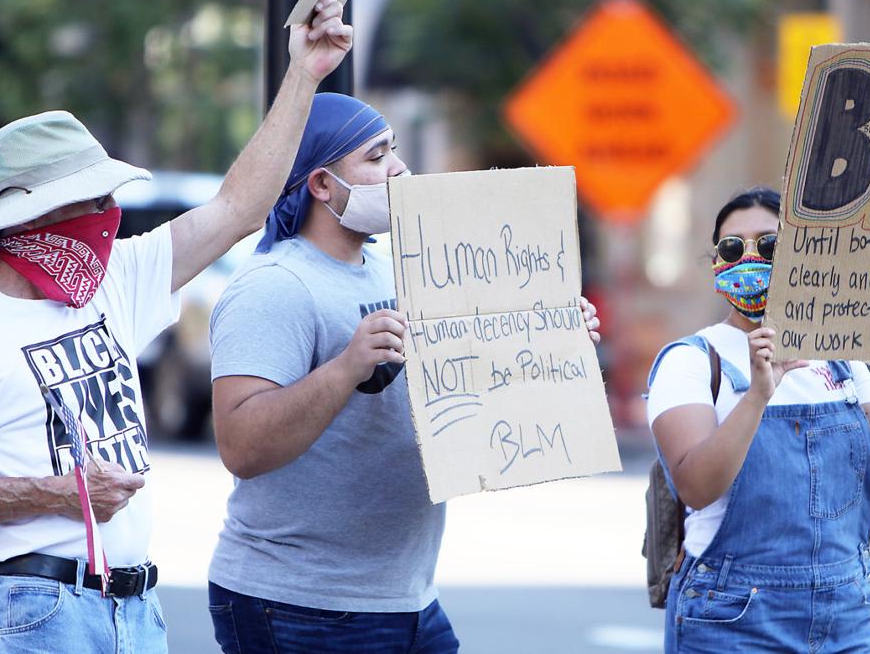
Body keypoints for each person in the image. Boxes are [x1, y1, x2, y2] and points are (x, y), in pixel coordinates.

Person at [0, 0, 352, 653]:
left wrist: (303, 74)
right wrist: (60, 496)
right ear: (26, 219)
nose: (109, 213)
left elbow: (238, 208)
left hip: (136, 609)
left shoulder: (114, 280)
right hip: (33, 608)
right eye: (88, 202)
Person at [206, 94, 600, 654]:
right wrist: (347, 367)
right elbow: (241, 446)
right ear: (322, 185)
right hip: (299, 604)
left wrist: (554, 334)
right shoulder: (274, 286)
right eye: (376, 156)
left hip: (406, 597)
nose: (399, 169)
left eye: (395, 150)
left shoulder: (399, 268)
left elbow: (472, 381)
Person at [646, 186, 870, 653]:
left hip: (848, 615)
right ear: (716, 262)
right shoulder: (692, 361)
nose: (750, 258)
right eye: (732, 247)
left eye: (770, 244)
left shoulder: (843, 361)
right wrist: (758, 395)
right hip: (732, 618)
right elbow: (696, 486)